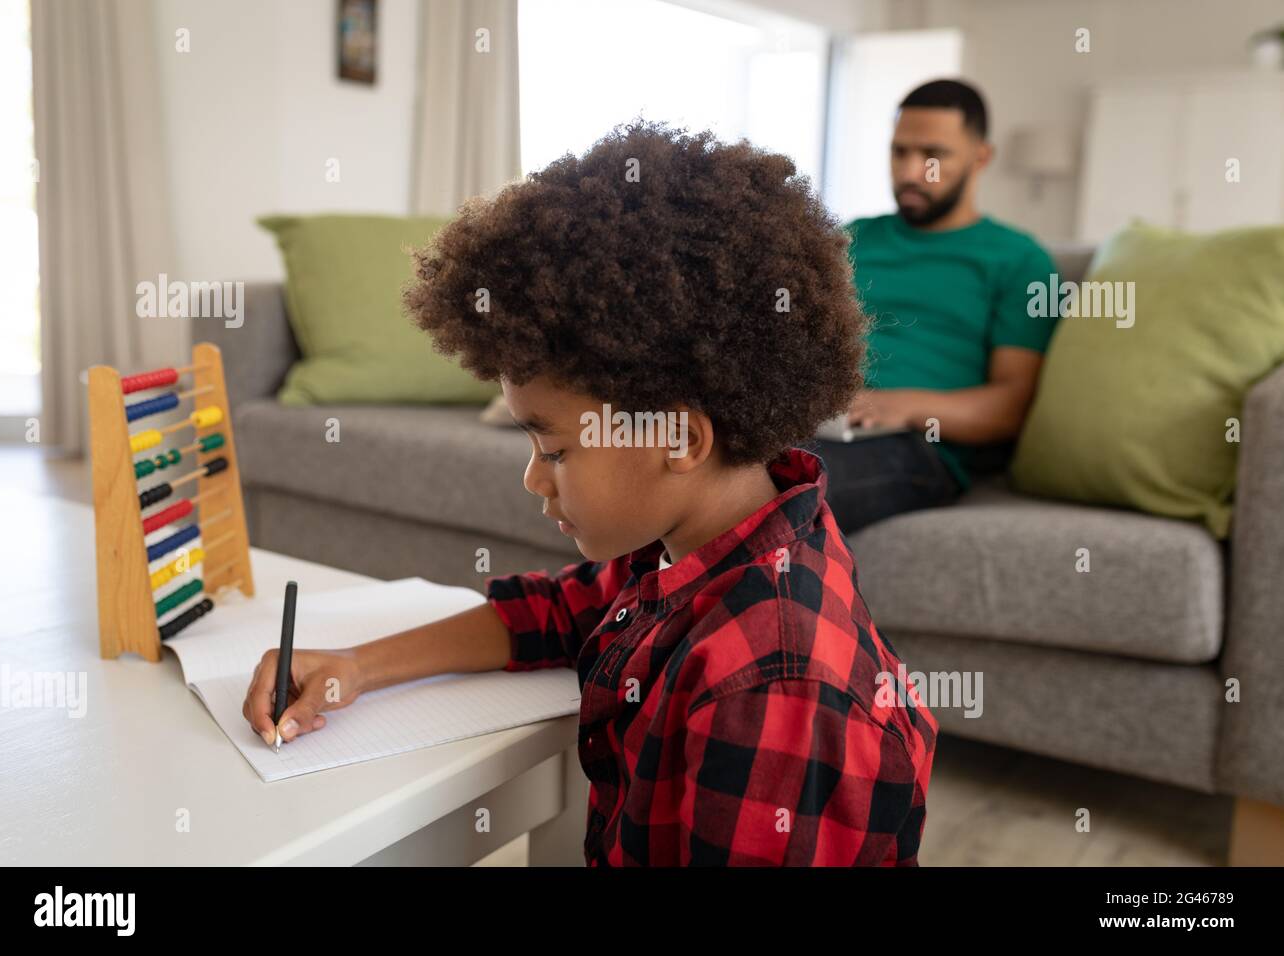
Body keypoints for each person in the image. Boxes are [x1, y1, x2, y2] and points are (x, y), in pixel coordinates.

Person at [242, 119, 937, 866]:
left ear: (679, 439)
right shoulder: (712, 540)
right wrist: (356, 665)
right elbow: (560, 611)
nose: (533, 478)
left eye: (555, 447)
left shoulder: (771, 689)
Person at [820, 78, 1059, 533]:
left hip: (918, 446)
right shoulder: (851, 238)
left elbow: (1013, 404)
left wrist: (903, 406)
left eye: (933, 154)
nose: (910, 172)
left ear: (980, 157)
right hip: (823, 418)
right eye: (899, 152)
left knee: (782, 485)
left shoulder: (1020, 260)